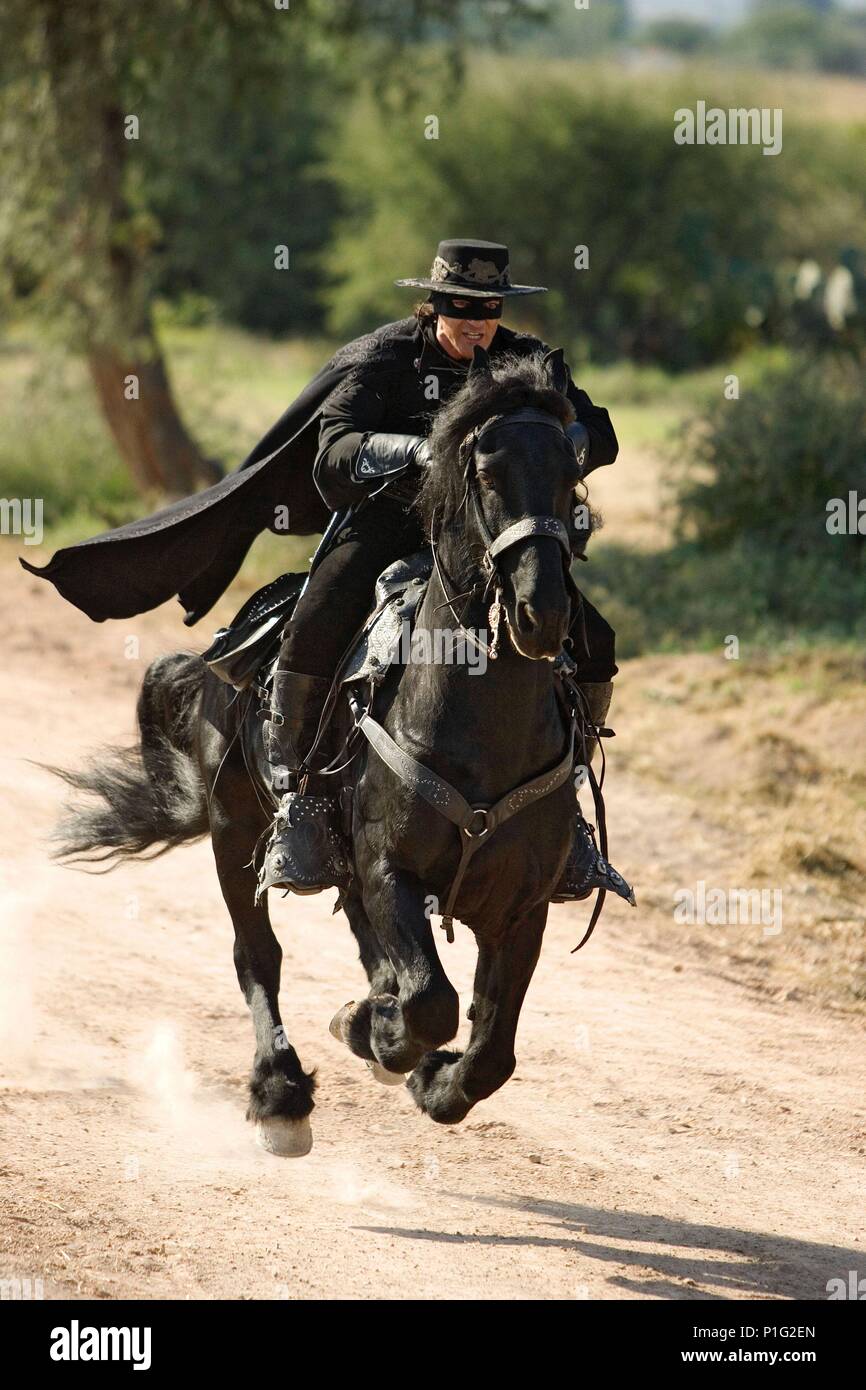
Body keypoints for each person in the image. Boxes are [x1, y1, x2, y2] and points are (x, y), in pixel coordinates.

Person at [257, 239, 627, 904]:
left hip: (493, 531)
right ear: (433, 304)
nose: (476, 319)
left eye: (488, 306)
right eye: (461, 306)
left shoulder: (526, 360)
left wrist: (555, 441)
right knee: (316, 619)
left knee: (592, 637)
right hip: (392, 518)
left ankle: (565, 816)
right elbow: (335, 446)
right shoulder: (386, 359)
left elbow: (600, 432)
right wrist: (417, 451)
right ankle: (300, 800)